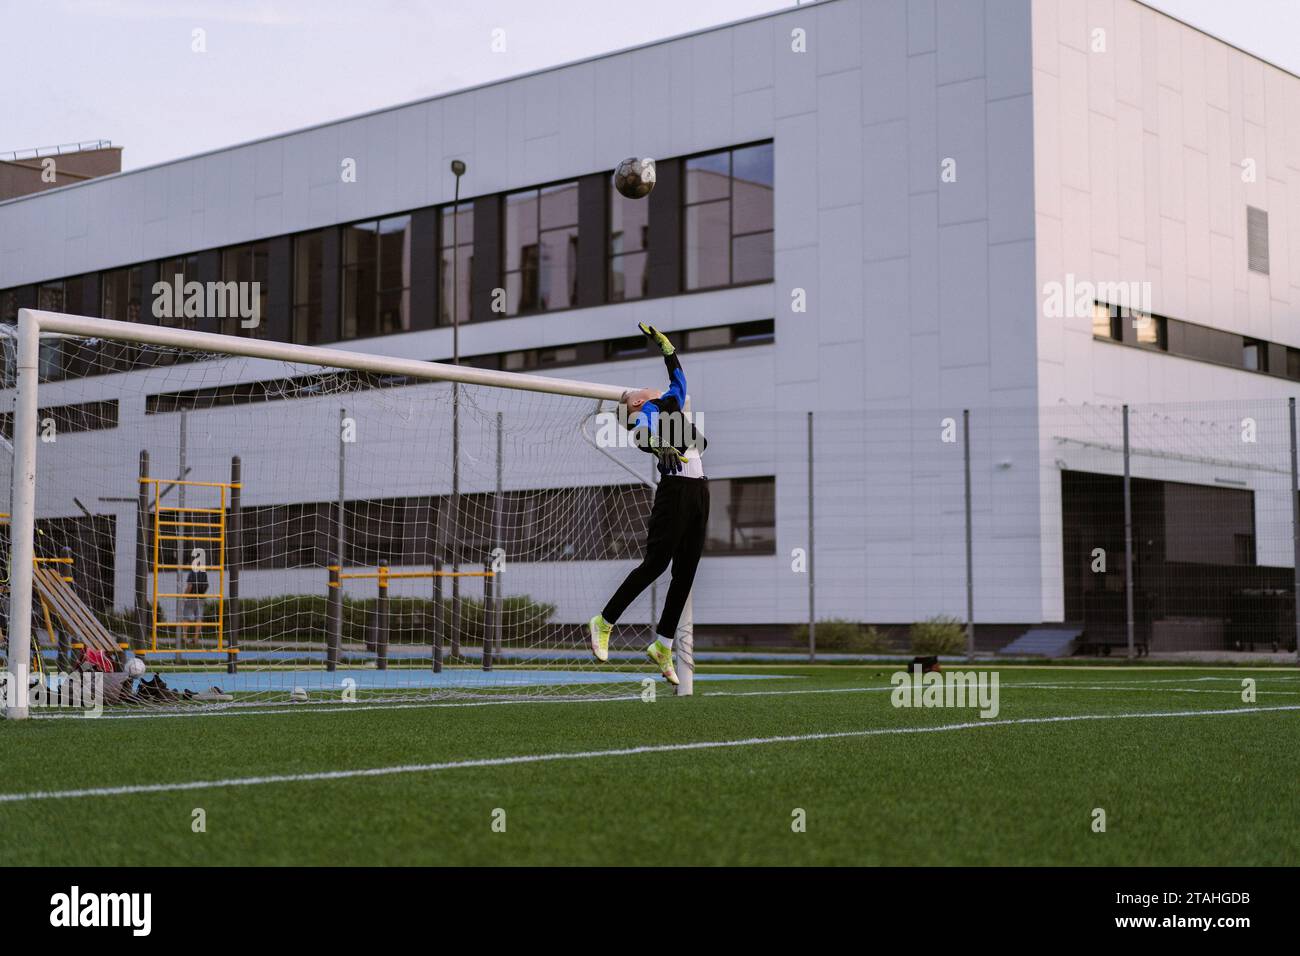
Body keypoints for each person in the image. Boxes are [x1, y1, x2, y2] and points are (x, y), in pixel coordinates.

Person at [588, 323, 709, 685]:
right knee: (656, 564)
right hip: (674, 490)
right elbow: (642, 434)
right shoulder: (647, 411)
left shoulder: (671, 400)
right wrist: (662, 448)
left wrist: (667, 348)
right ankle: (604, 621)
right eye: (637, 392)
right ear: (638, 400)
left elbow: (678, 377)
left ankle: (663, 643)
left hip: (699, 490)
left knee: (686, 572)